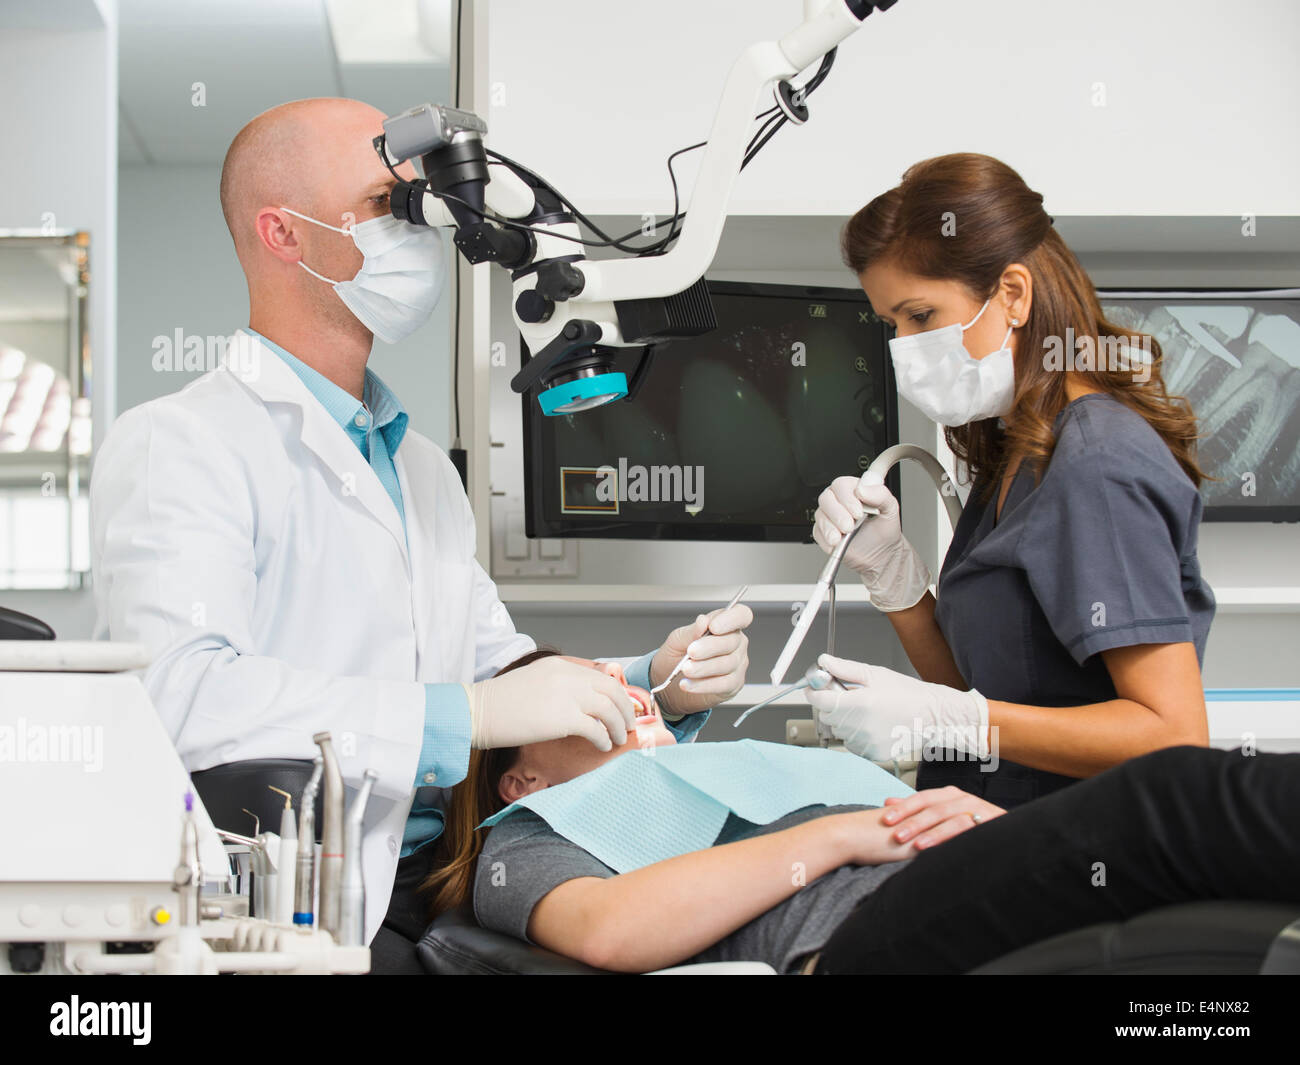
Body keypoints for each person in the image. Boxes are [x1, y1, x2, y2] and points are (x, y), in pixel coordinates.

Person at [89, 98, 753, 972]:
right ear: (284, 235)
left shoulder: (422, 471)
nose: (421, 229)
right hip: (297, 900)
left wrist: (650, 684)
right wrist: (462, 715)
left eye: (421, 203)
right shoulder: (180, 441)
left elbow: (495, 667)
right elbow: (184, 695)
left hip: (444, 878)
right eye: (387, 205)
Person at [425, 650, 1300, 975]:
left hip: (955, 877)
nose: (617, 687)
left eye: (613, 678)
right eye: (577, 693)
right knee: (1174, 796)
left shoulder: (722, 771)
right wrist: (845, 831)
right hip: (855, 935)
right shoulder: (527, 839)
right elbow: (611, 932)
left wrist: (959, 814)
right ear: (518, 776)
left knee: (1224, 913)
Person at [807, 153, 1214, 808]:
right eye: (891, 325)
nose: (905, 349)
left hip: (1086, 860)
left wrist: (953, 721)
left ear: (1014, 295)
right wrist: (895, 578)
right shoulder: (1019, 450)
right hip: (994, 830)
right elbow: (976, 686)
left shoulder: (1096, 463)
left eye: (919, 316)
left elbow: (1173, 734)